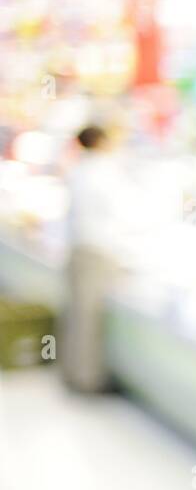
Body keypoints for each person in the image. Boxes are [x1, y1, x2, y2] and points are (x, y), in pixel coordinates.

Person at [58, 123, 131, 393]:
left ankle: (71, 370)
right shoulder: (104, 171)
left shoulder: (79, 170)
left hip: (78, 246)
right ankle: (88, 379)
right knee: (89, 316)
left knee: (75, 313)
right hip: (97, 249)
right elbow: (124, 210)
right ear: (101, 141)